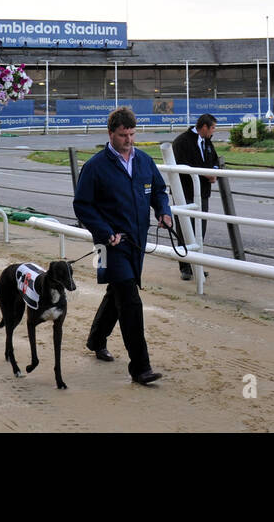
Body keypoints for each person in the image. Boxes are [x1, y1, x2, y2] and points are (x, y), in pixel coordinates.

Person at [73, 107, 172, 385]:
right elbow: (82, 206)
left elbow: (159, 191)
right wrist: (105, 232)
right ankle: (141, 368)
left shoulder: (144, 161)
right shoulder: (94, 166)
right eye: (122, 135)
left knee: (118, 293)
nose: (128, 140)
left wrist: (164, 212)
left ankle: (95, 340)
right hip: (109, 245)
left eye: (131, 134)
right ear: (110, 134)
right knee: (129, 300)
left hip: (137, 242)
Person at [172, 113, 219, 281]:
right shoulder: (181, 141)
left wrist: (214, 172)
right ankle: (185, 267)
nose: (214, 131)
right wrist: (204, 174)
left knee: (200, 231)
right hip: (185, 193)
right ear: (204, 127)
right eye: (213, 128)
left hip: (202, 194)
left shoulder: (207, 141)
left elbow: (214, 159)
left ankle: (196, 265)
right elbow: (182, 165)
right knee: (184, 230)